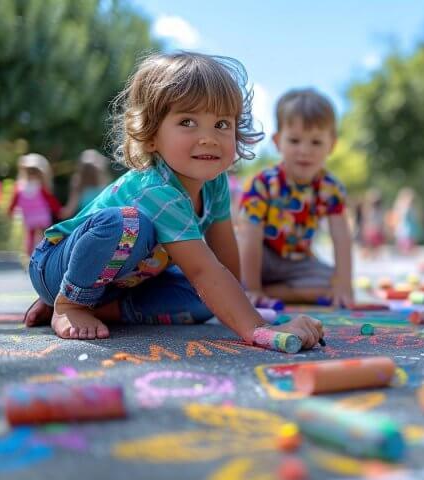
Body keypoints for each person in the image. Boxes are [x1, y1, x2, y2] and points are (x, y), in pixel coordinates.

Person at [23, 51, 323, 347]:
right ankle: (69, 304)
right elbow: (203, 270)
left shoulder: (214, 182)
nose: (208, 138)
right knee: (129, 225)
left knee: (206, 299)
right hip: (57, 264)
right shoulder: (156, 189)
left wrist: (243, 305)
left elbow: (222, 261)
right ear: (151, 135)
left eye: (221, 124)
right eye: (188, 122)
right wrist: (257, 328)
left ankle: (97, 309)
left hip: (118, 287)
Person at [237, 88, 353, 307]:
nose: (305, 150)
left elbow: (341, 237)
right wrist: (252, 288)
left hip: (297, 263)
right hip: (261, 256)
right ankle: (252, 288)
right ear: (277, 141)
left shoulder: (331, 188)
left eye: (316, 142)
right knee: (234, 253)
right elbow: (249, 237)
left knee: (333, 282)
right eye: (294, 140)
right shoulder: (263, 183)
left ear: (331, 145)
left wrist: (344, 286)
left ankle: (271, 291)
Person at [8, 153, 62, 255]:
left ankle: (34, 254)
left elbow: (13, 203)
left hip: (31, 218)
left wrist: (10, 212)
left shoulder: (21, 188)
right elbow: (51, 200)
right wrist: (58, 210)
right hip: (41, 218)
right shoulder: (38, 187)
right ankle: (48, 252)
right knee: (46, 234)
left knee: (33, 237)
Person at [60, 149, 111, 219]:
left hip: (100, 218)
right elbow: (70, 208)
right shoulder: (78, 184)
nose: (89, 172)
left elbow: (69, 210)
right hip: (88, 219)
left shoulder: (105, 183)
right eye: (87, 169)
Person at [390, 187, 423, 255]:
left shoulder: (414, 208)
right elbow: (397, 219)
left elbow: (417, 218)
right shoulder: (400, 207)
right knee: (403, 249)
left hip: (411, 232)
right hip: (402, 233)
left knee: (410, 249)